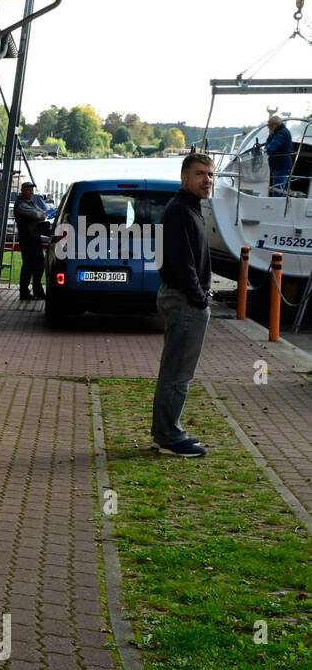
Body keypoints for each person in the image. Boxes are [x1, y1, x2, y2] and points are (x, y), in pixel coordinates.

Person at [151, 153, 214, 458]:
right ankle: (169, 436)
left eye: (210, 175)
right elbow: (180, 263)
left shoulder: (190, 209)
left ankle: (168, 430)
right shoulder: (178, 212)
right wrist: (199, 299)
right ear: (185, 177)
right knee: (178, 373)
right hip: (185, 301)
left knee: (175, 371)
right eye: (200, 174)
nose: (207, 180)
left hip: (187, 299)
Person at [13, 180, 48, 300]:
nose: (30, 192)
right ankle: (24, 292)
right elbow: (39, 215)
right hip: (27, 239)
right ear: (22, 191)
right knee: (28, 265)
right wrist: (39, 214)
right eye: (28, 189)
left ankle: (37, 290)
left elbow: (42, 213)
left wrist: (40, 214)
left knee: (39, 264)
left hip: (34, 237)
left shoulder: (30, 202)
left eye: (31, 190)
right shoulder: (21, 205)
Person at [263, 114, 294, 195]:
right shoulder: (284, 132)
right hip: (284, 165)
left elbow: (269, 149)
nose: (269, 128)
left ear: (275, 125)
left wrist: (270, 136)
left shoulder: (281, 134)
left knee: (277, 192)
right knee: (281, 190)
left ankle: (276, 207)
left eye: (269, 126)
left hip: (280, 167)